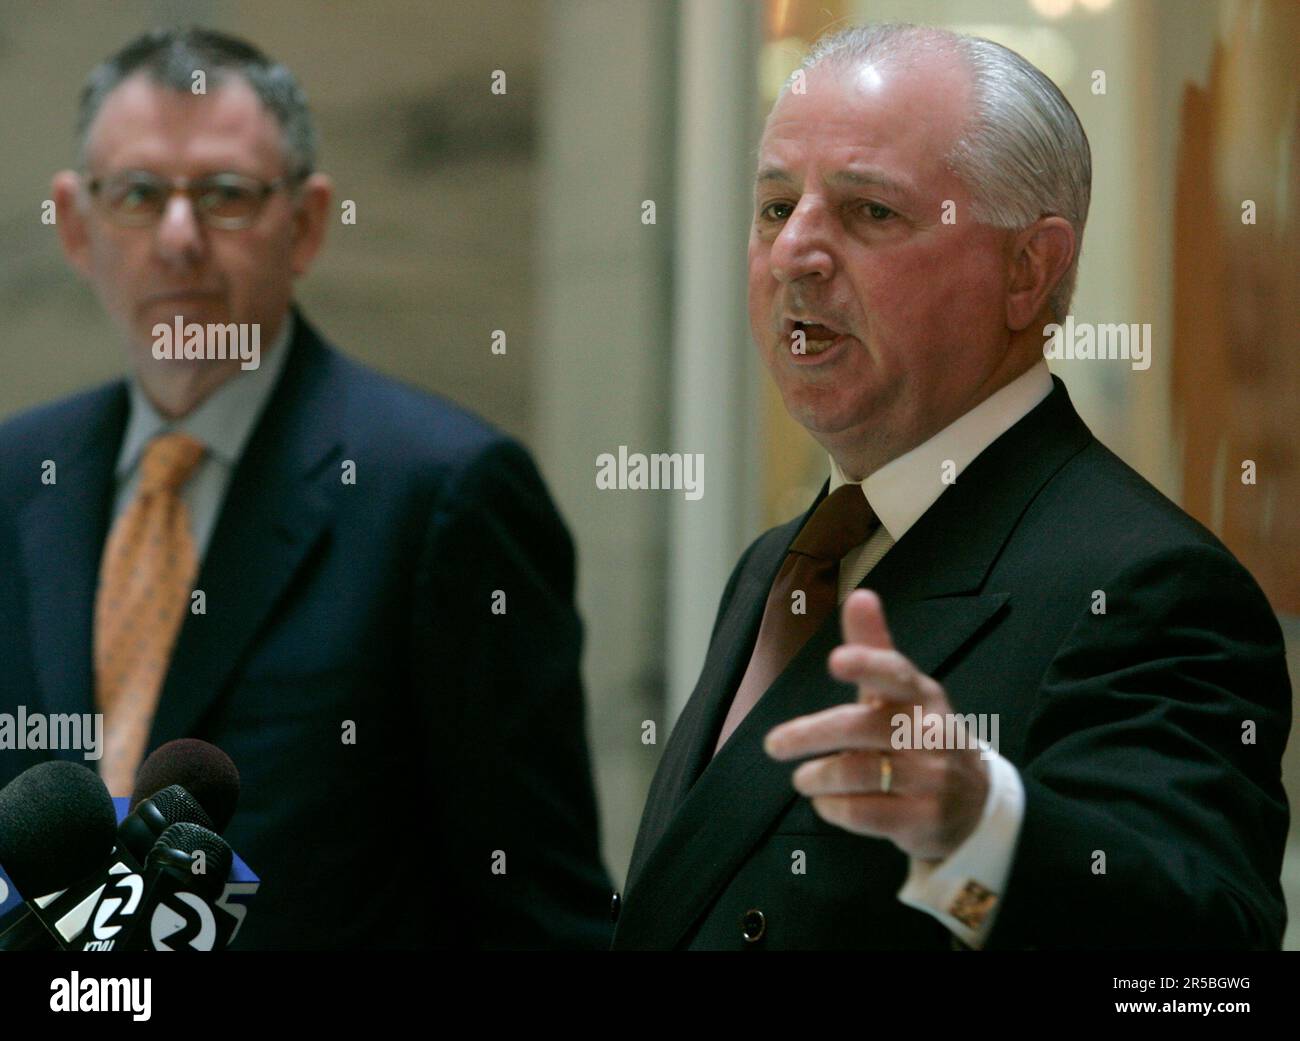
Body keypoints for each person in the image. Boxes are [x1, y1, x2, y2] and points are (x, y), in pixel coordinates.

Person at [613, 24, 1291, 950]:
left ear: (1029, 270)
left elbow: (1204, 971)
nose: (794, 255)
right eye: (775, 208)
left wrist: (979, 829)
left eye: (869, 213)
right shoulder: (784, 560)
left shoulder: (1147, 585)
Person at [0, 27, 611, 949]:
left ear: (308, 223)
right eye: (136, 194)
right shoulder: (14, 474)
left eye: (226, 195)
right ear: (77, 226)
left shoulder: (445, 493)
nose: (178, 238)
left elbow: (537, 912)